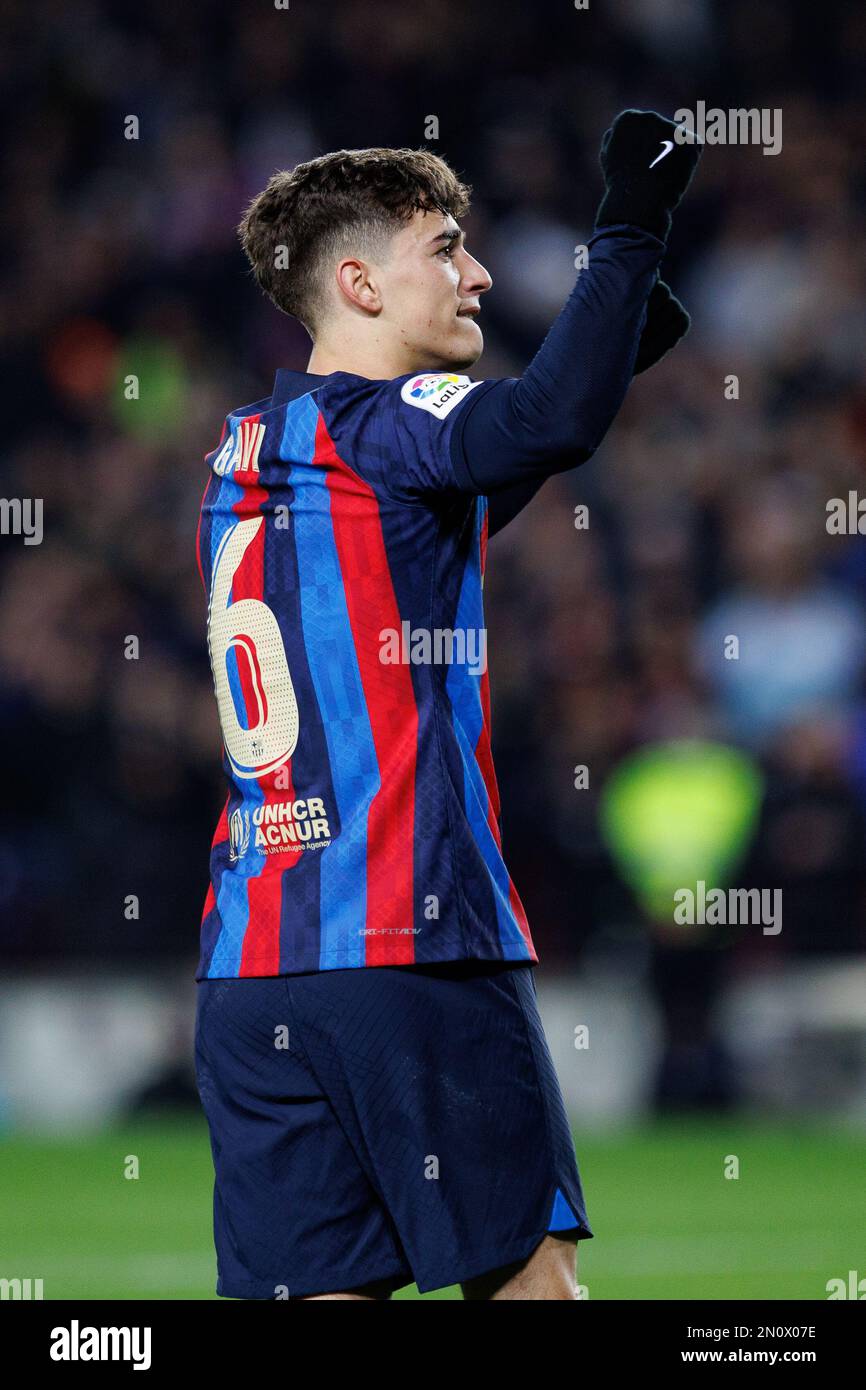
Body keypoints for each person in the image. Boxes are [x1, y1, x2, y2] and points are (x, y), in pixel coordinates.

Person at [194, 110, 702, 1300]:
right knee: (529, 1286)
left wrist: (611, 346)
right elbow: (540, 427)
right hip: (412, 945)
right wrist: (628, 225)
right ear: (360, 282)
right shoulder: (386, 424)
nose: (476, 273)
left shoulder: (255, 450)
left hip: (255, 966)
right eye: (446, 248)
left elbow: (446, 514)